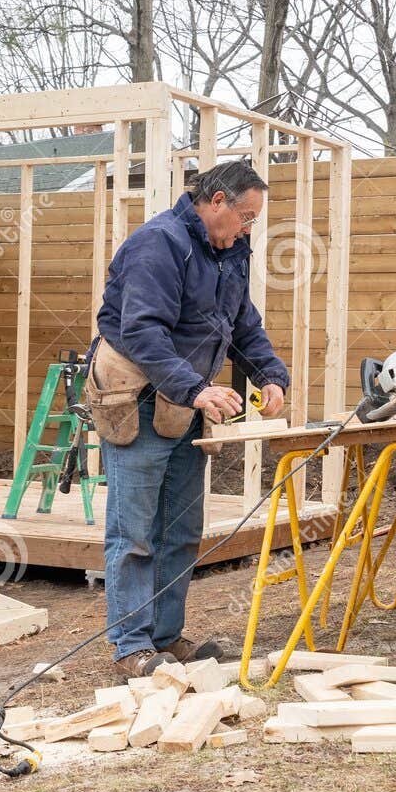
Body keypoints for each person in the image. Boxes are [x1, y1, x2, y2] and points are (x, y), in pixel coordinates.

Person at [88, 160, 290, 680]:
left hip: (186, 398)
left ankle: (165, 637)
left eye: (254, 222)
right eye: (245, 217)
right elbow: (142, 332)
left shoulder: (229, 251)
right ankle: (132, 646)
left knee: (180, 528)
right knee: (134, 530)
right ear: (216, 202)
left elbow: (241, 324)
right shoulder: (158, 244)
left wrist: (269, 374)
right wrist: (197, 388)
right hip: (136, 395)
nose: (249, 229)